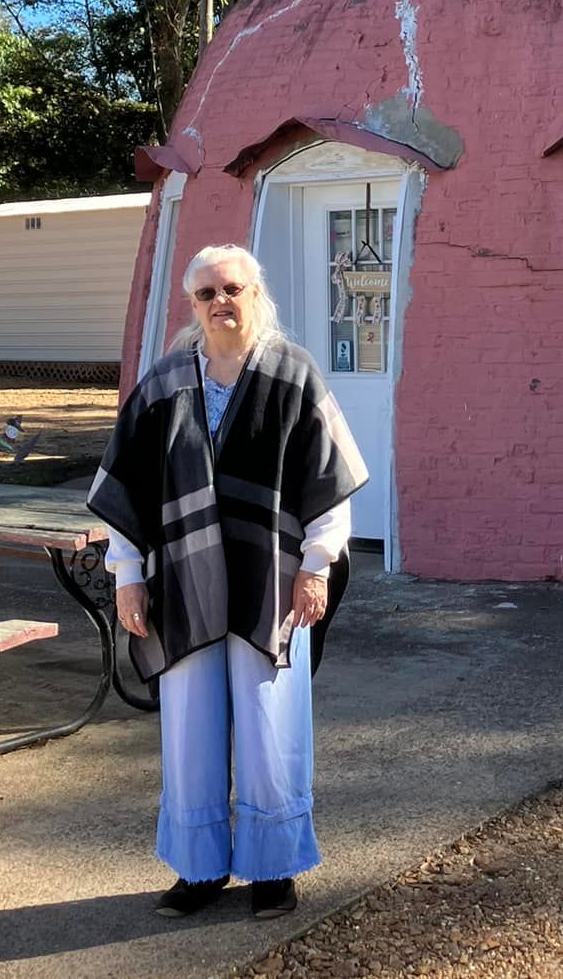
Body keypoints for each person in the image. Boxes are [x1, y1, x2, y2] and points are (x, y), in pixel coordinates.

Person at [88, 243, 367, 920]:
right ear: (191, 305)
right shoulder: (162, 385)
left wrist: (317, 566)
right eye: (206, 293)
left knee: (274, 726)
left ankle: (274, 870)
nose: (221, 302)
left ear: (255, 293)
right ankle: (199, 868)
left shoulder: (293, 375)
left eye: (232, 289)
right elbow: (128, 488)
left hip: (273, 580)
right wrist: (127, 577)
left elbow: (329, 487)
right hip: (181, 583)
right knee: (188, 729)